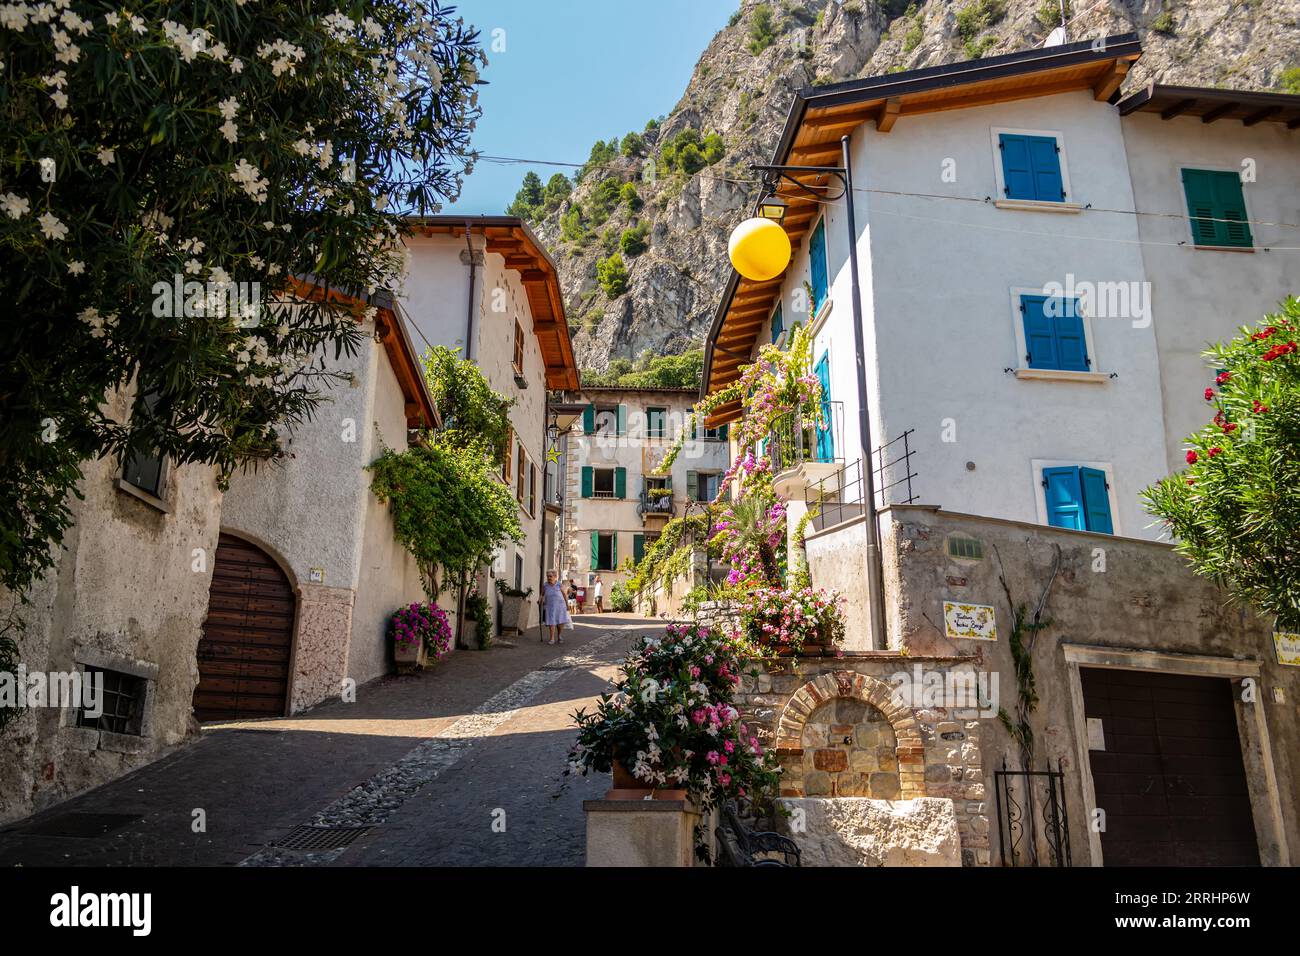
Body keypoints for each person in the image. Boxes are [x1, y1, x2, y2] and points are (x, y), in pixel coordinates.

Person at [541, 570, 570, 645]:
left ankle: (559, 635)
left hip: (560, 606)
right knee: (551, 622)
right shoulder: (545, 585)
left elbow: (564, 595)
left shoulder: (559, 584)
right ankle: (552, 638)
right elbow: (542, 594)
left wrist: (567, 605)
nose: (549, 578)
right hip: (550, 606)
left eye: (550, 576)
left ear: (555, 577)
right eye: (548, 576)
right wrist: (540, 599)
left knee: (560, 622)